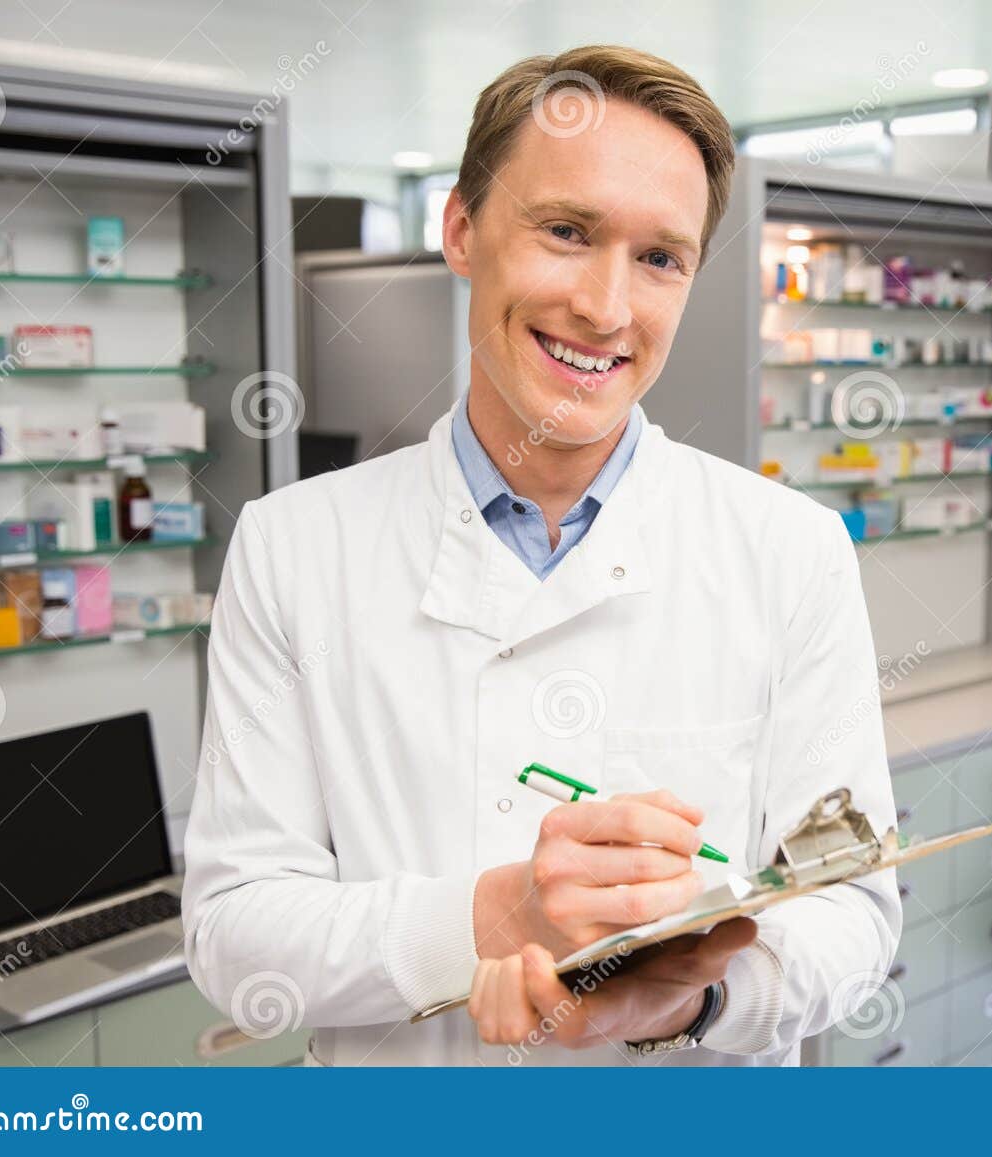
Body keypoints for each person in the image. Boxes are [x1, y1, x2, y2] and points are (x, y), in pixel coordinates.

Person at [180, 44, 899, 1066]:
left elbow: (853, 911)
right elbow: (233, 931)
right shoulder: (294, 547)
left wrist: (681, 1004)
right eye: (567, 231)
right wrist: (497, 912)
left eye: (660, 258)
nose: (606, 308)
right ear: (463, 230)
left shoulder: (790, 549)